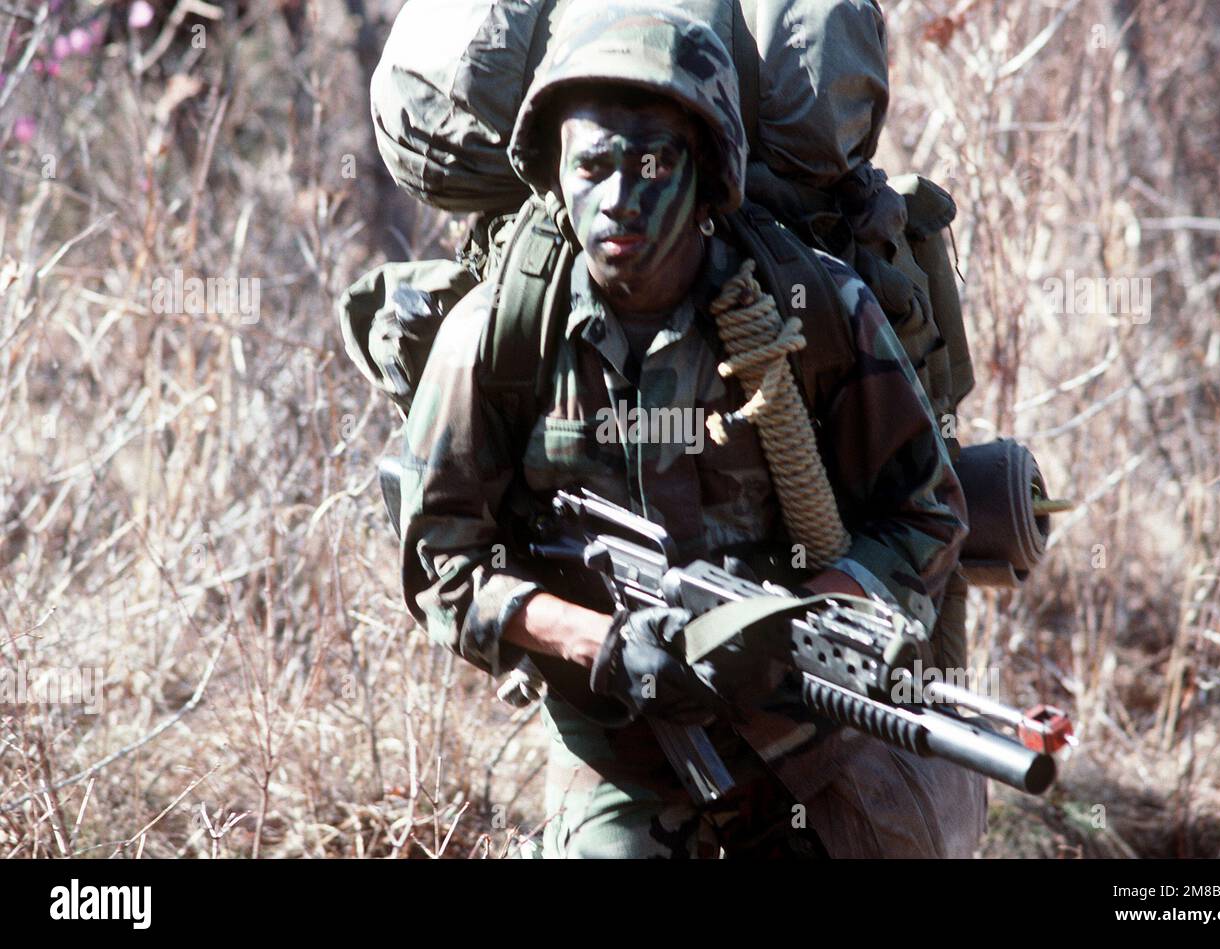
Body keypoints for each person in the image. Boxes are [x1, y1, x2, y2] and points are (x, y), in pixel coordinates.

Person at [399, 4, 986, 858]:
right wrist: (597, 641)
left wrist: (801, 618)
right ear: (555, 173)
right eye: (592, 165)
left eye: (654, 163)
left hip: (811, 730)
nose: (619, 200)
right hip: (620, 742)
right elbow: (442, 560)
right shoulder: (498, 334)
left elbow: (926, 514)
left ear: (709, 172)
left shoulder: (813, 307)